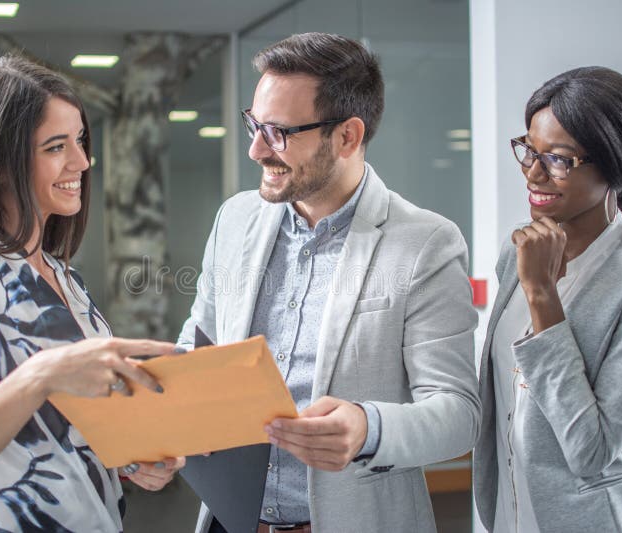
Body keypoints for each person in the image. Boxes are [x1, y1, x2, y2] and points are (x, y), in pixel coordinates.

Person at [178, 33, 480, 533]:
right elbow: (199, 344)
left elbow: (458, 413)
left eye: (278, 133)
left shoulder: (426, 242)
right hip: (230, 521)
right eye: (254, 125)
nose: (256, 149)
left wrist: (368, 428)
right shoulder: (234, 220)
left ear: (347, 136)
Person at [0, 55, 183, 532]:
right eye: (55, 147)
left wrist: (131, 459)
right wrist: (44, 374)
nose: (82, 162)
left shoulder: (66, 278)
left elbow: (61, 429)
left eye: (81, 141)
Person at [473, 66, 622, 533]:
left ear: (616, 163)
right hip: (509, 517)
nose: (534, 172)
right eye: (529, 150)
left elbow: (592, 450)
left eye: (559, 159)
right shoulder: (517, 249)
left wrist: (543, 295)